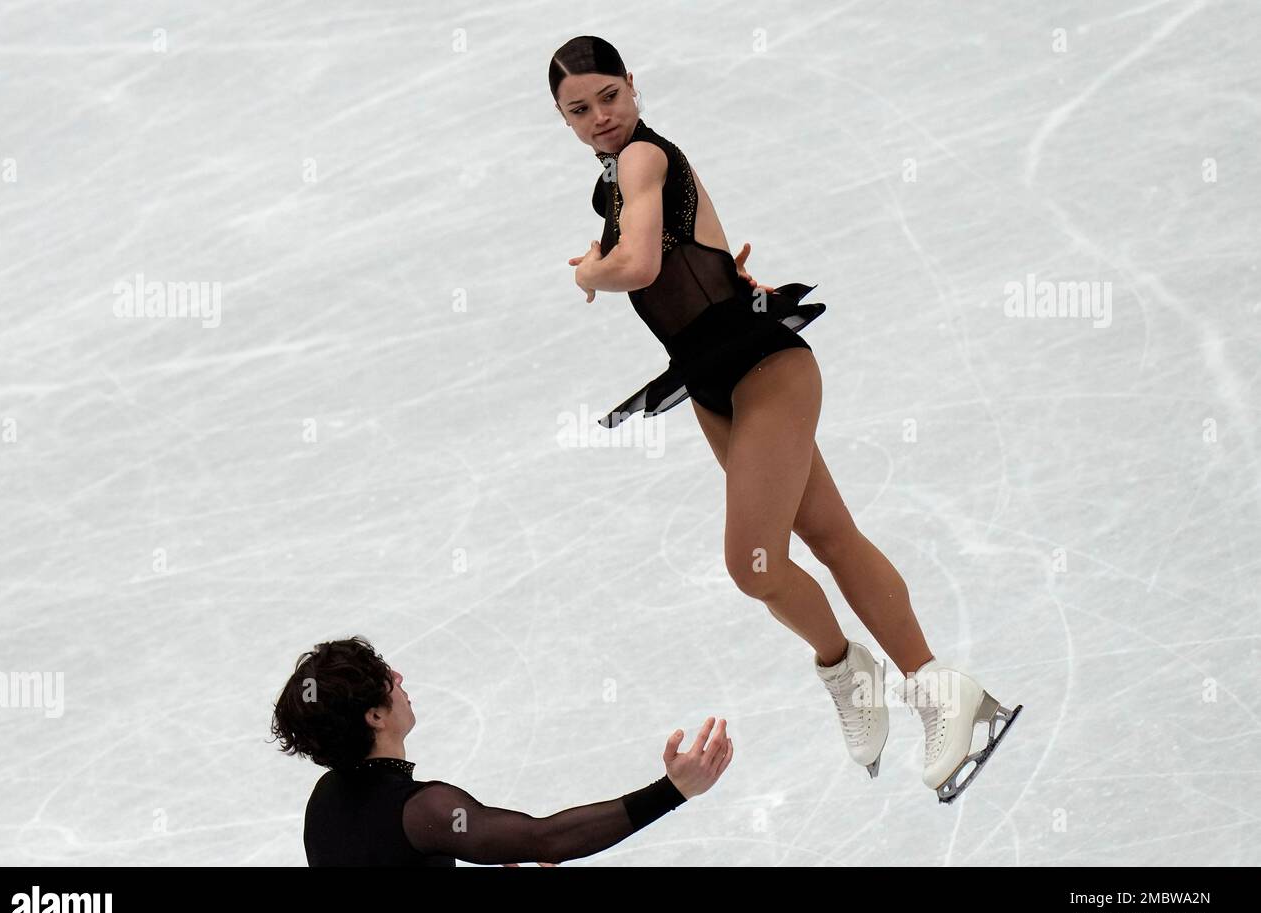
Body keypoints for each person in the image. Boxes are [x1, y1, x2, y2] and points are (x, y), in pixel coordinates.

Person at [549, 36, 1021, 803]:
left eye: (609, 96)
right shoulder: (615, 186)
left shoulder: (641, 157)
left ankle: (862, 671)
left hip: (763, 370)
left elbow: (634, 266)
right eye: (579, 109)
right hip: (715, 384)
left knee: (752, 564)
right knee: (830, 537)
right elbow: (690, 254)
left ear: (633, 87)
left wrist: (590, 271)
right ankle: (916, 689)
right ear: (562, 120)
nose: (600, 116)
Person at [270, 636, 733, 865]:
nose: (400, 680)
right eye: (386, 679)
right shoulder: (421, 809)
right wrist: (673, 790)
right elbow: (546, 840)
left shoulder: (325, 797)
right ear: (374, 717)